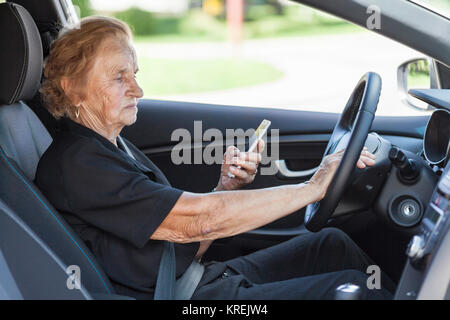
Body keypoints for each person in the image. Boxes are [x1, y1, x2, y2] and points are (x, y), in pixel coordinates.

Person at [35, 16, 393, 300]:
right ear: (71, 87)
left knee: (332, 245)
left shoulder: (110, 146)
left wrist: (226, 186)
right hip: (183, 296)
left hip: (195, 279)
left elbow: (182, 233)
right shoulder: (79, 163)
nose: (138, 90)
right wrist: (315, 186)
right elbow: (198, 223)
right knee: (354, 291)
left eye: (135, 75)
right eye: (118, 77)